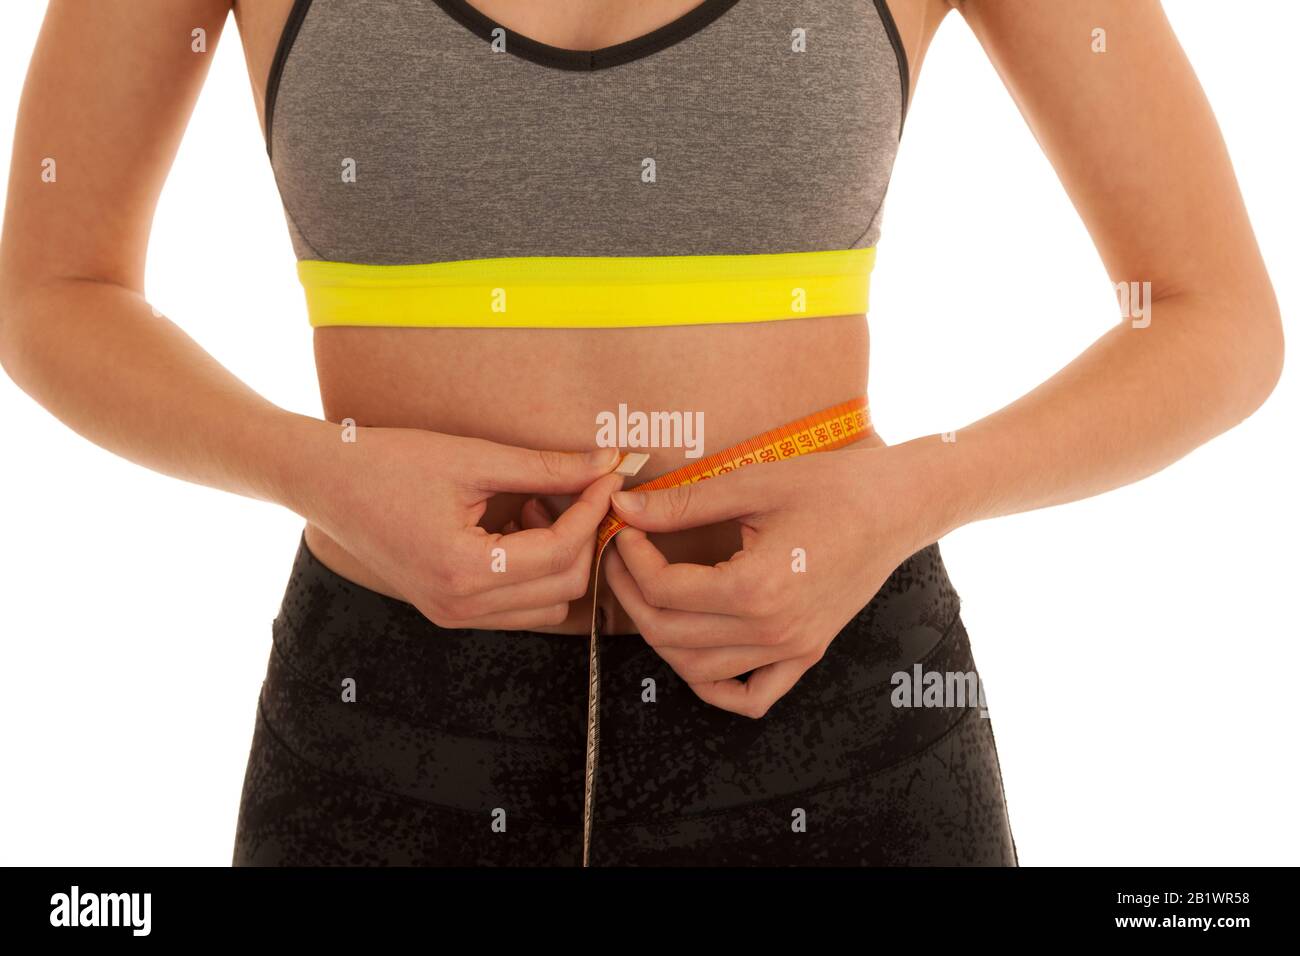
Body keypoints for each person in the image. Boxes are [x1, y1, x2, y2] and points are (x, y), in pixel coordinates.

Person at [0, 0, 1281, 866]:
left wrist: (909, 498)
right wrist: (308, 468)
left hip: (829, 712)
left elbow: (1216, 316)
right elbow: (51, 291)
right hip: (390, 729)